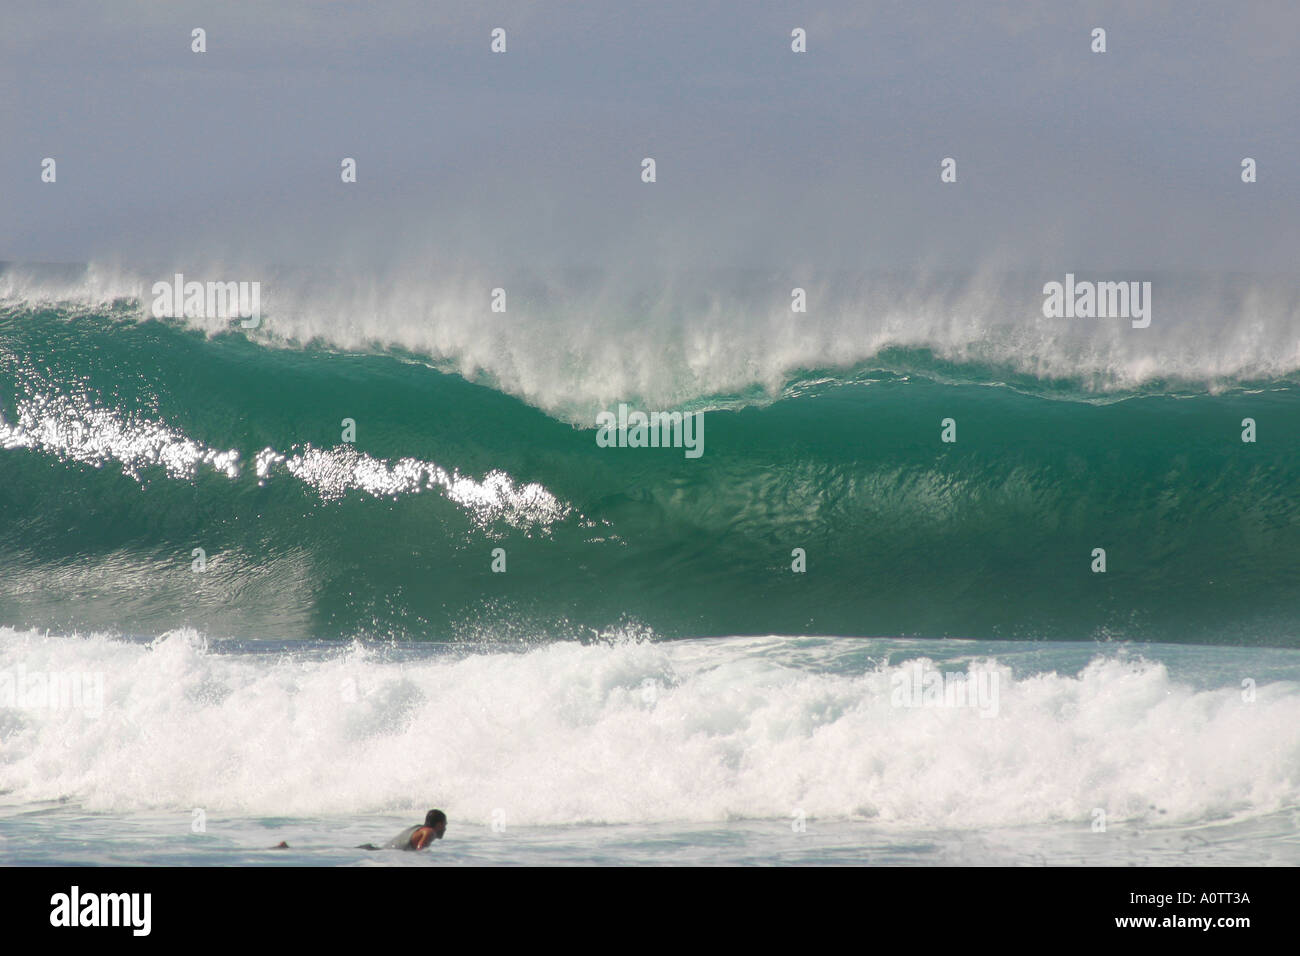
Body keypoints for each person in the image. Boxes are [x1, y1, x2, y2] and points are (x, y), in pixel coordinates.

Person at [357, 809, 448, 851]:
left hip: (375, 850)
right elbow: (420, 851)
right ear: (439, 824)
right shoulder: (430, 832)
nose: (445, 829)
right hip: (380, 852)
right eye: (445, 825)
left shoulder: (419, 828)